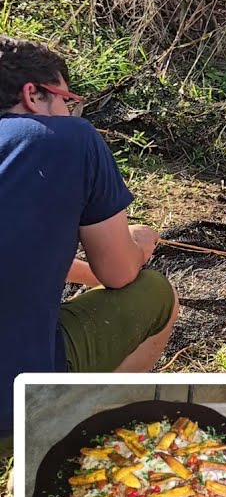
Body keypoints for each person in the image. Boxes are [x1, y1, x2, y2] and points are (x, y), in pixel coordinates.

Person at [0, 36, 179, 447]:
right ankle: (75, 437)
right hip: (12, 405)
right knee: (156, 293)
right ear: (34, 94)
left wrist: (86, 275)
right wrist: (137, 243)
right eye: (67, 99)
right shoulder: (66, 138)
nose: (69, 111)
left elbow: (19, 250)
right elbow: (118, 273)